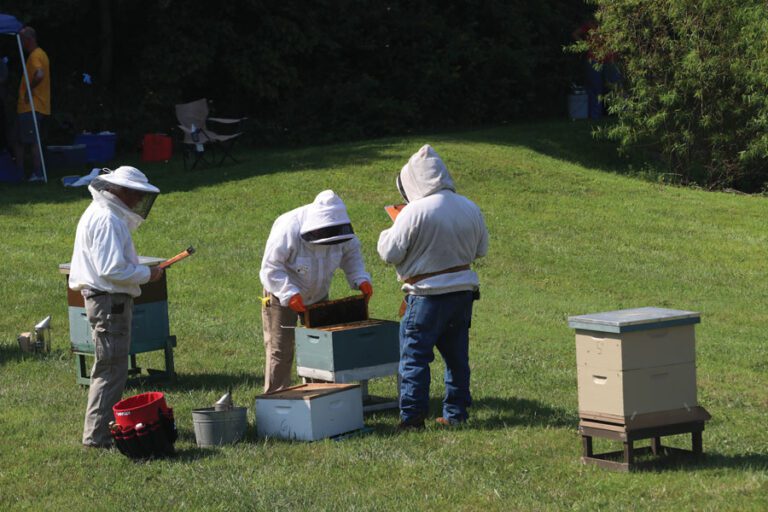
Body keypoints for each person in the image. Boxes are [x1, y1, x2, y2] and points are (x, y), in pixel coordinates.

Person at [377, 145, 488, 430]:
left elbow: (389, 253)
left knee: (414, 358)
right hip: (462, 294)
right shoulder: (469, 206)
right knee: (457, 358)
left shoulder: (413, 212)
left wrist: (391, 229)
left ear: (413, 180)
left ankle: (413, 419)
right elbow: (481, 250)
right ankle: (456, 415)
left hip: (426, 295)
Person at [68, 166, 163, 448]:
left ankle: (102, 431)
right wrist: (149, 274)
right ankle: (97, 438)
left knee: (111, 368)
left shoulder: (99, 212)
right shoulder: (107, 219)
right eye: (136, 194)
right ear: (121, 191)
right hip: (109, 301)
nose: (137, 202)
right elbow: (112, 270)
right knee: (110, 370)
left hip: (107, 301)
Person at [259, 189, 373, 393]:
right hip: (280, 294)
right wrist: (288, 293)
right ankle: (276, 400)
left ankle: (321, 394)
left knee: (322, 347)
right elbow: (270, 268)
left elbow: (351, 256)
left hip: (318, 294)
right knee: (280, 349)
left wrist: (360, 279)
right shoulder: (288, 227)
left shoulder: (342, 231)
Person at [14, 26, 50, 181]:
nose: (20, 43)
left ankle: (37, 174)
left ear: (28, 40)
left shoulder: (34, 56)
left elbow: (40, 74)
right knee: (22, 140)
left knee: (31, 142)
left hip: (31, 106)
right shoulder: (42, 53)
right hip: (37, 106)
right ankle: (24, 173)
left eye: (22, 40)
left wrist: (29, 91)